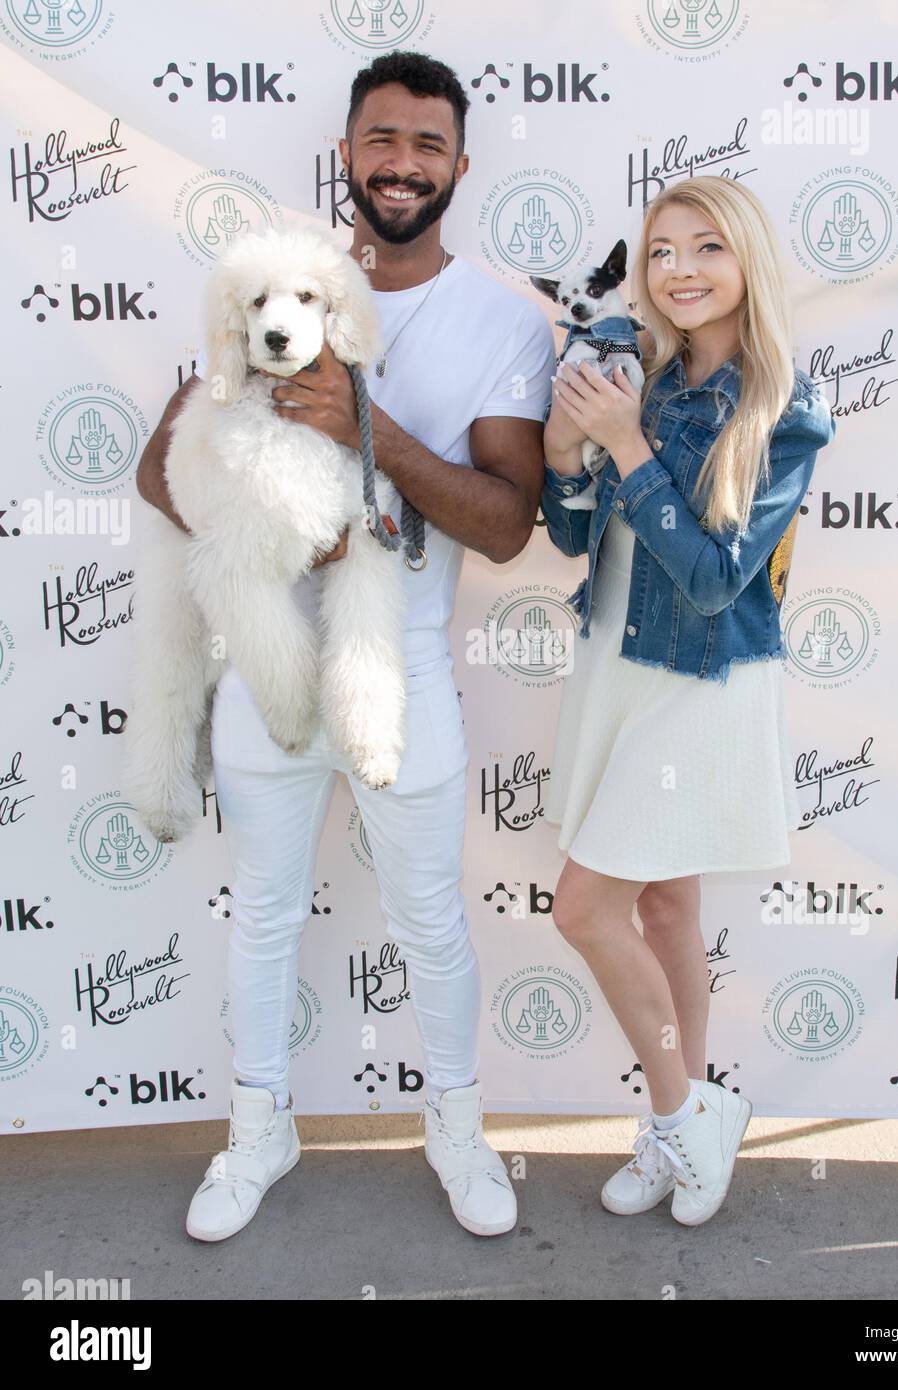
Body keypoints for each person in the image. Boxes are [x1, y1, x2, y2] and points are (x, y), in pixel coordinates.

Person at [135, 50, 555, 1241]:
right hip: (261, 667)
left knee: (430, 916)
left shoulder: (496, 322)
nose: (402, 164)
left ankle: (458, 1126)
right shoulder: (274, 284)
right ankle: (256, 1128)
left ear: (458, 166)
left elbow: (507, 521)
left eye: (427, 145)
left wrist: (364, 431)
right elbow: (157, 474)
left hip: (400, 667)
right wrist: (255, 504)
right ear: (346, 154)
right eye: (382, 140)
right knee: (263, 911)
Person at [539, 175, 837, 1227]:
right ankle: (690, 1117)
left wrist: (620, 444)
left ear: (747, 259)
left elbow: (715, 578)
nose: (677, 270)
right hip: (616, 668)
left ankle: (677, 1114)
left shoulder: (783, 409)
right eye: (659, 250)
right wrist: (564, 453)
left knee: (583, 907)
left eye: (704, 247)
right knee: (661, 905)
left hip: (700, 683)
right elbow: (576, 538)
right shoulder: (638, 373)